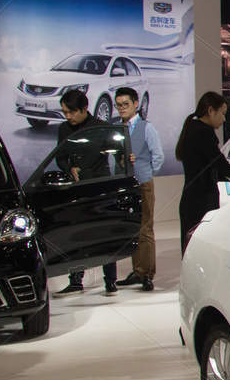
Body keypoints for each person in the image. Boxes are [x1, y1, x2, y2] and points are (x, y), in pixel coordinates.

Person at [52, 90, 120, 297]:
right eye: (64, 112)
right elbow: (60, 157)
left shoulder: (101, 127)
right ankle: (75, 280)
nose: (68, 117)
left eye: (71, 112)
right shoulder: (64, 129)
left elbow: (116, 153)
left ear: (83, 109)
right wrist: (69, 169)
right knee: (76, 234)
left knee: (106, 234)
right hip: (76, 188)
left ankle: (111, 281)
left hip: (101, 188)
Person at [176, 91, 230, 254]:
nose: (224, 119)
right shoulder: (203, 133)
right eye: (222, 113)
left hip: (194, 200)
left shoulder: (193, 128)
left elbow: (212, 168)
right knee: (200, 251)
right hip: (201, 201)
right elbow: (222, 167)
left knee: (192, 249)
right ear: (211, 111)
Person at [113, 87, 163, 292]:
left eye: (125, 104)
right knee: (132, 229)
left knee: (145, 229)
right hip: (123, 184)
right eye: (118, 105)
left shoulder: (146, 128)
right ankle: (138, 270)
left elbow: (158, 156)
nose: (121, 109)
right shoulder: (116, 129)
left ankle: (147, 274)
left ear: (135, 104)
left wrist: (145, 171)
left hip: (142, 182)